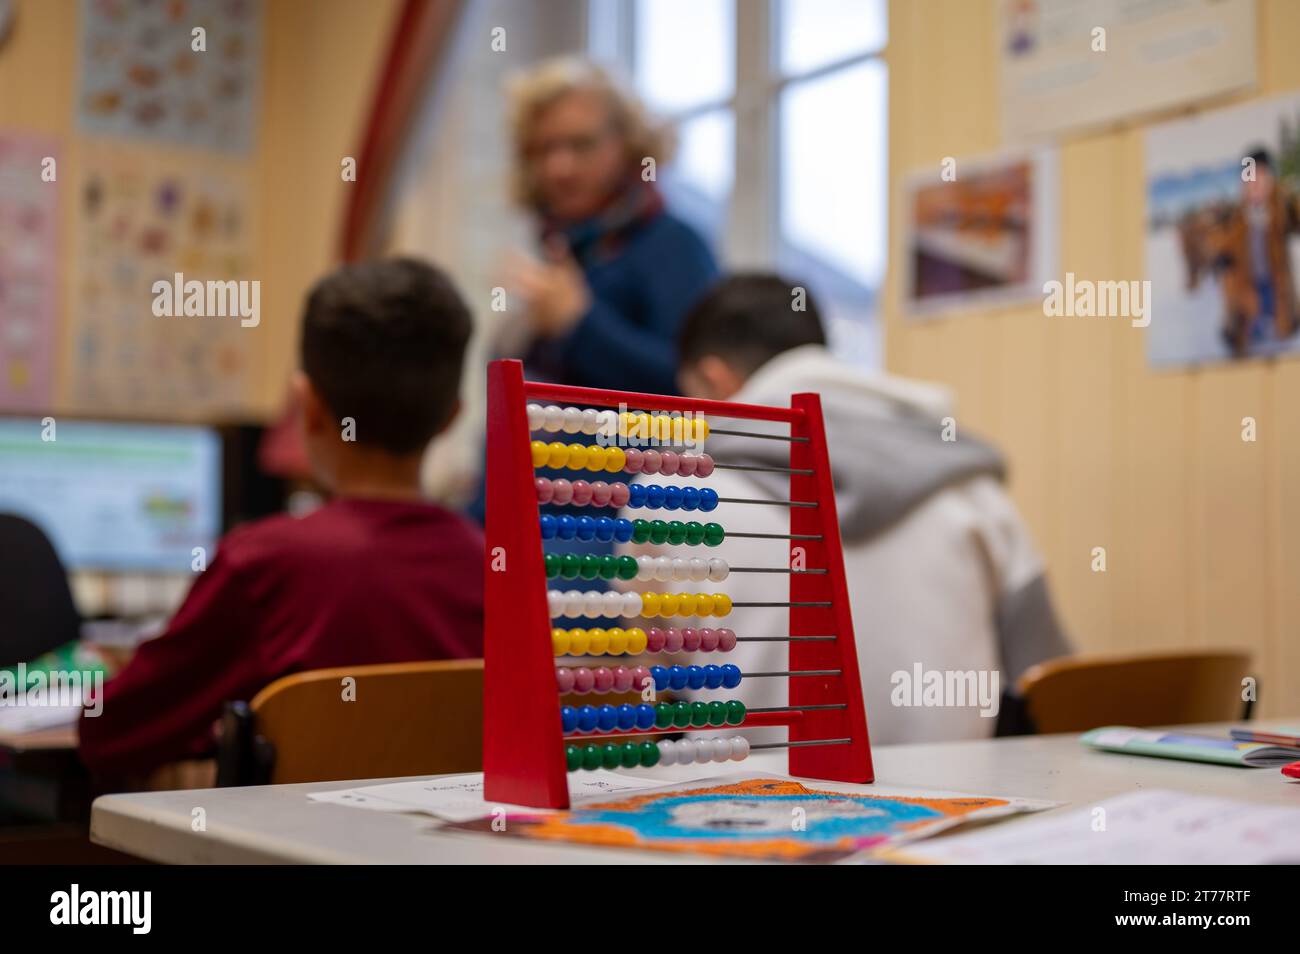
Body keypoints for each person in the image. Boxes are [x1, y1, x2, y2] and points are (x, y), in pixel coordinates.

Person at [79, 259, 485, 782]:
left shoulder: (262, 565)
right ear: (453, 415)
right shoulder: (499, 569)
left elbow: (109, 736)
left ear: (307, 407)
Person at [620, 274, 1071, 744]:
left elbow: (650, 687)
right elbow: (1047, 676)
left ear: (715, 379)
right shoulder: (972, 490)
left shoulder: (669, 495)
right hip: (959, 803)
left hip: (736, 807)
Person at [504, 57, 718, 394]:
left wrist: (578, 324)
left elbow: (694, 386)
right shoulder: (565, 248)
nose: (559, 168)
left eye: (582, 144)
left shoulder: (675, 245)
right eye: (543, 149)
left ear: (630, 145)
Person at [1218, 147, 1300, 356]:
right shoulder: (1237, 217)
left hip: (1278, 290)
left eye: (1260, 177)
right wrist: (1223, 256)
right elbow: (1224, 242)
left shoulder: (1282, 208)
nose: (1254, 185)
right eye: (1249, 179)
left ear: (1271, 180)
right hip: (1249, 291)